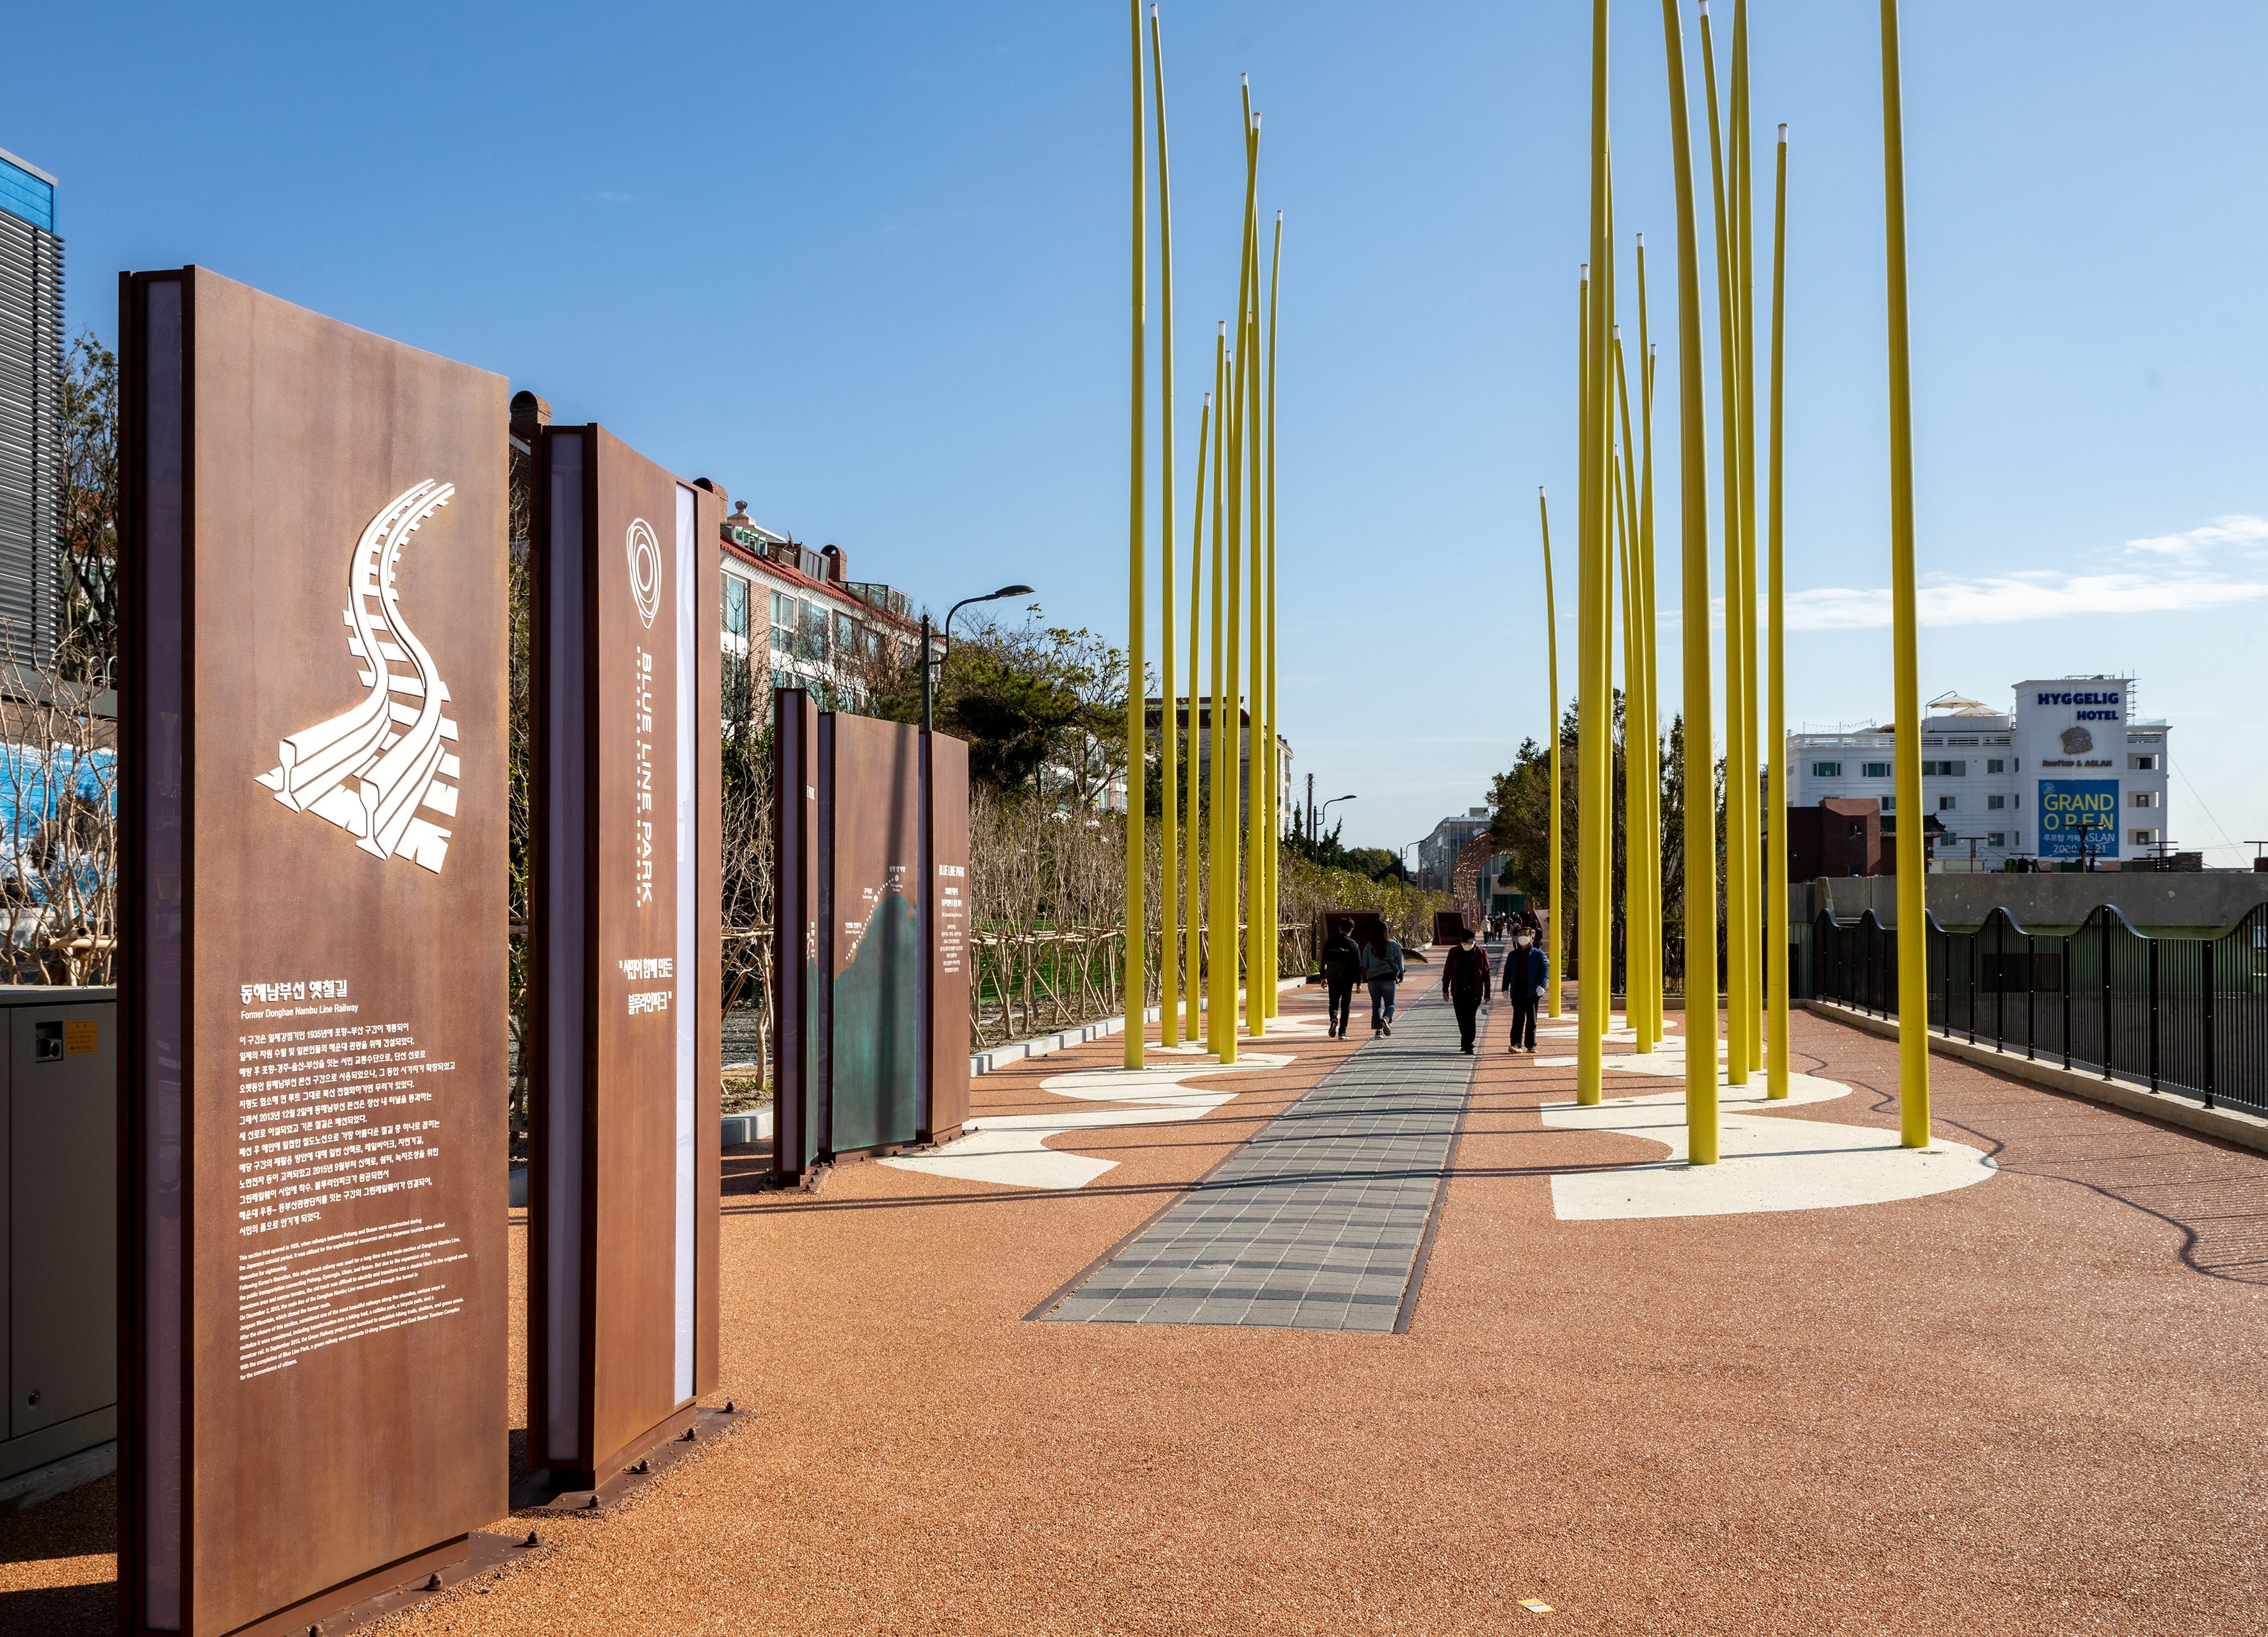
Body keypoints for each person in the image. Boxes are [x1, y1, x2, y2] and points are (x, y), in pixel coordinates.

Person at [1441, 928, 1492, 1053]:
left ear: (1474, 940)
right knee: (1461, 1018)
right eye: (1465, 943)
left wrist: (1487, 993)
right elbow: (1447, 971)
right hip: (1458, 992)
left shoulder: (1481, 952)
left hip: (1474, 992)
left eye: (1470, 943)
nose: (1467, 945)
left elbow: (1486, 974)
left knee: (1470, 1018)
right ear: (1461, 941)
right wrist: (1445, 989)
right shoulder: (1454, 952)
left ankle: (1468, 1044)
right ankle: (1466, 1043)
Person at [1500, 924, 1549, 1053]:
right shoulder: (1513, 955)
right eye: (1521, 935)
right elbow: (1507, 972)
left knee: (1532, 1019)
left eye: (1526, 935)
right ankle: (1516, 1044)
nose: (1523, 937)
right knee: (1518, 1018)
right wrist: (1505, 988)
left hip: (1532, 990)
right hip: (1518, 990)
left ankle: (1531, 1044)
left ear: (1532, 938)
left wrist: (1542, 985)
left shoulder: (1539, 955)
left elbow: (1545, 971)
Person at [1319, 918, 1363, 1039]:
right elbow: (1358, 965)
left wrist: (1323, 976)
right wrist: (1359, 982)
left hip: (1332, 977)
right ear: (1351, 930)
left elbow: (1323, 960)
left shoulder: (1330, 942)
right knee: (1345, 1005)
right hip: (1347, 979)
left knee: (1333, 1003)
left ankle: (1334, 1019)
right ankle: (1342, 1032)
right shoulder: (1353, 944)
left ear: (1340, 928)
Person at [1360, 923, 1405, 1036]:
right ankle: (1386, 1018)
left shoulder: (1369, 946)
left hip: (1372, 979)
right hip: (1388, 977)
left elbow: (1364, 964)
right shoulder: (1392, 944)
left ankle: (1378, 1031)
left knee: (1376, 1005)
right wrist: (1401, 973)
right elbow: (1400, 959)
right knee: (1390, 1004)